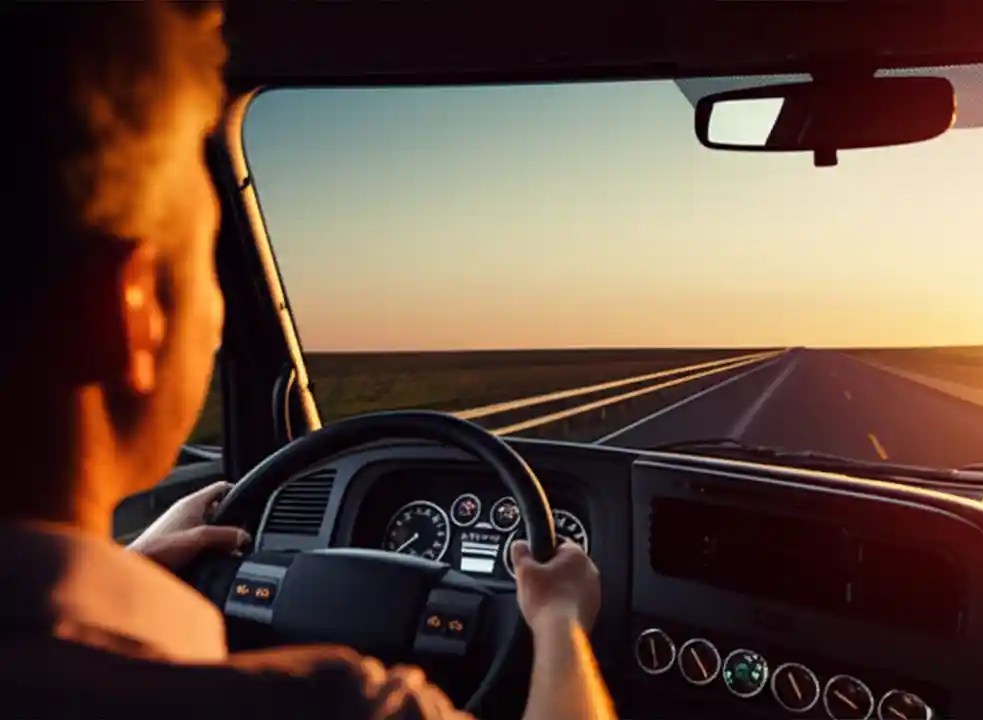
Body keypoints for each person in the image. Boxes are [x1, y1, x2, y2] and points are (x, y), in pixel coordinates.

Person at [1, 3, 615, 719]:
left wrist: (125, 565)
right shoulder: (333, 703)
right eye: (208, 271)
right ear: (129, 313)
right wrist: (560, 623)